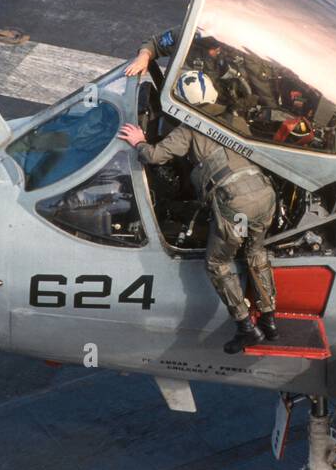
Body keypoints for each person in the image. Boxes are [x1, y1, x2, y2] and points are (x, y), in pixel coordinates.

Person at [117, 67, 279, 355]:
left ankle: (245, 326)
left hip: (235, 203)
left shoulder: (189, 128)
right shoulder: (234, 118)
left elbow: (154, 156)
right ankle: (269, 319)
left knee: (218, 263)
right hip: (264, 194)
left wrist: (139, 141)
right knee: (256, 251)